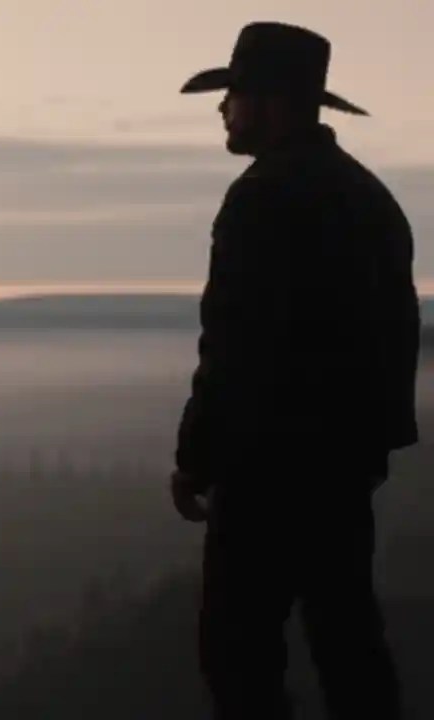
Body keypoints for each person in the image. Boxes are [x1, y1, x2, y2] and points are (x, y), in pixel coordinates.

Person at [170, 21, 419, 720]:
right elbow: (396, 335)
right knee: (349, 645)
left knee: (237, 654)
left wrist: (195, 457)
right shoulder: (371, 199)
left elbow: (233, 344)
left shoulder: (260, 198)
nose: (223, 109)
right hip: (343, 470)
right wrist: (372, 451)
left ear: (271, 102)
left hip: (265, 470)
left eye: (234, 94)